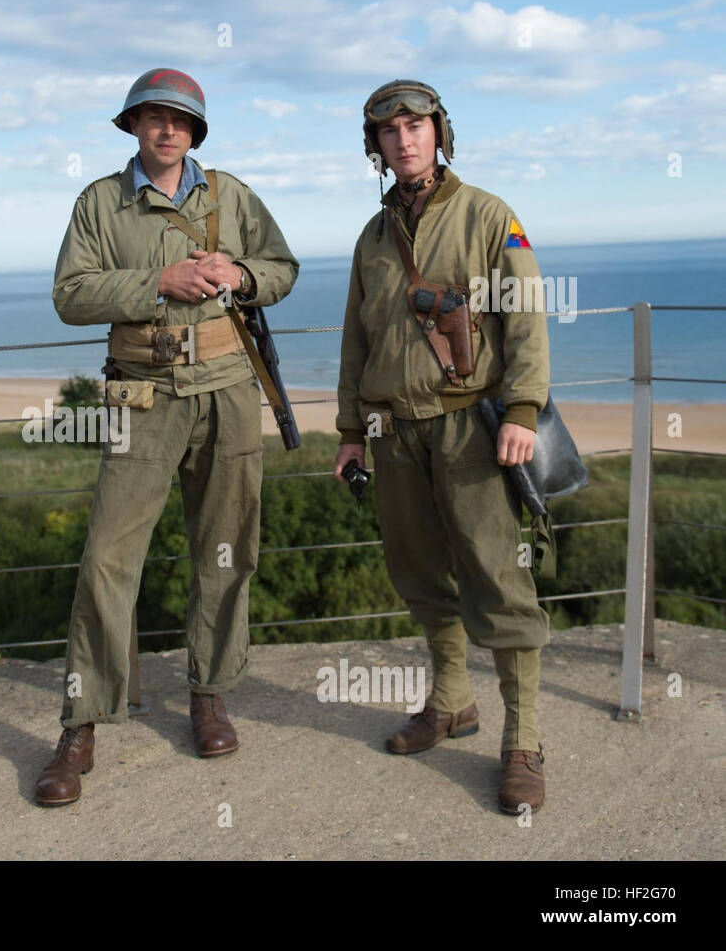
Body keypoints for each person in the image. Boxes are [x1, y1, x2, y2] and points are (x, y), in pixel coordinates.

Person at [35, 68, 298, 807]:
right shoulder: (99, 202)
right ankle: (82, 721)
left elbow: (283, 269)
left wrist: (238, 274)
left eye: (179, 120)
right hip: (142, 396)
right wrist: (159, 280)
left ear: (194, 132)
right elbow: (69, 294)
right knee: (107, 561)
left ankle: (209, 694)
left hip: (228, 394)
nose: (166, 130)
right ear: (133, 126)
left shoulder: (233, 196)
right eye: (153, 117)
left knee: (226, 547)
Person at [333, 79, 551, 814]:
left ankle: (522, 740)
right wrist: (348, 431)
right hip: (392, 431)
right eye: (389, 131)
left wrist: (523, 407)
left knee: (498, 578)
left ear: (439, 132)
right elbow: (357, 338)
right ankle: (452, 700)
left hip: (469, 427)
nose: (404, 139)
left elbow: (525, 315)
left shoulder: (490, 215)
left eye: (416, 126)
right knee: (421, 572)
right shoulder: (371, 236)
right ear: (376, 147)